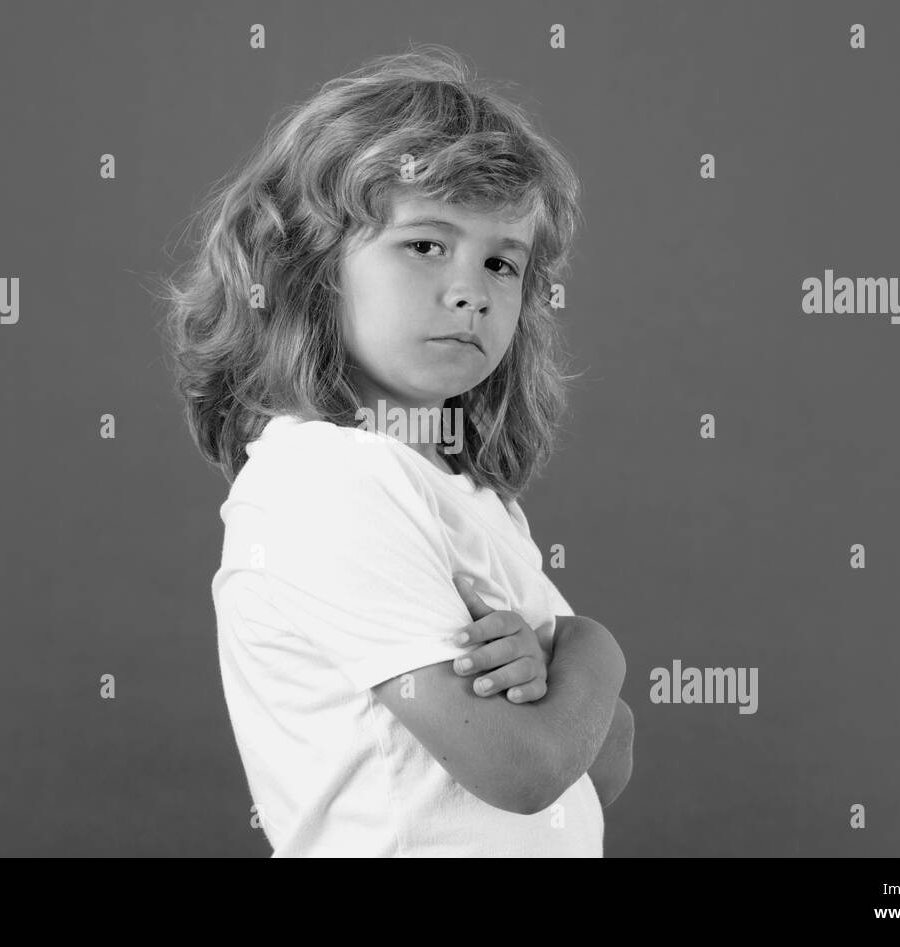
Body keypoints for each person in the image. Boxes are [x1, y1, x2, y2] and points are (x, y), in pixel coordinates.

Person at [159, 44, 633, 856]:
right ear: (308, 270)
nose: (471, 289)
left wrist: (565, 685)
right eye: (424, 245)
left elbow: (606, 763)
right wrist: (593, 646)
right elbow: (529, 767)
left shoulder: (462, 490)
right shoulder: (330, 475)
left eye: (501, 261)